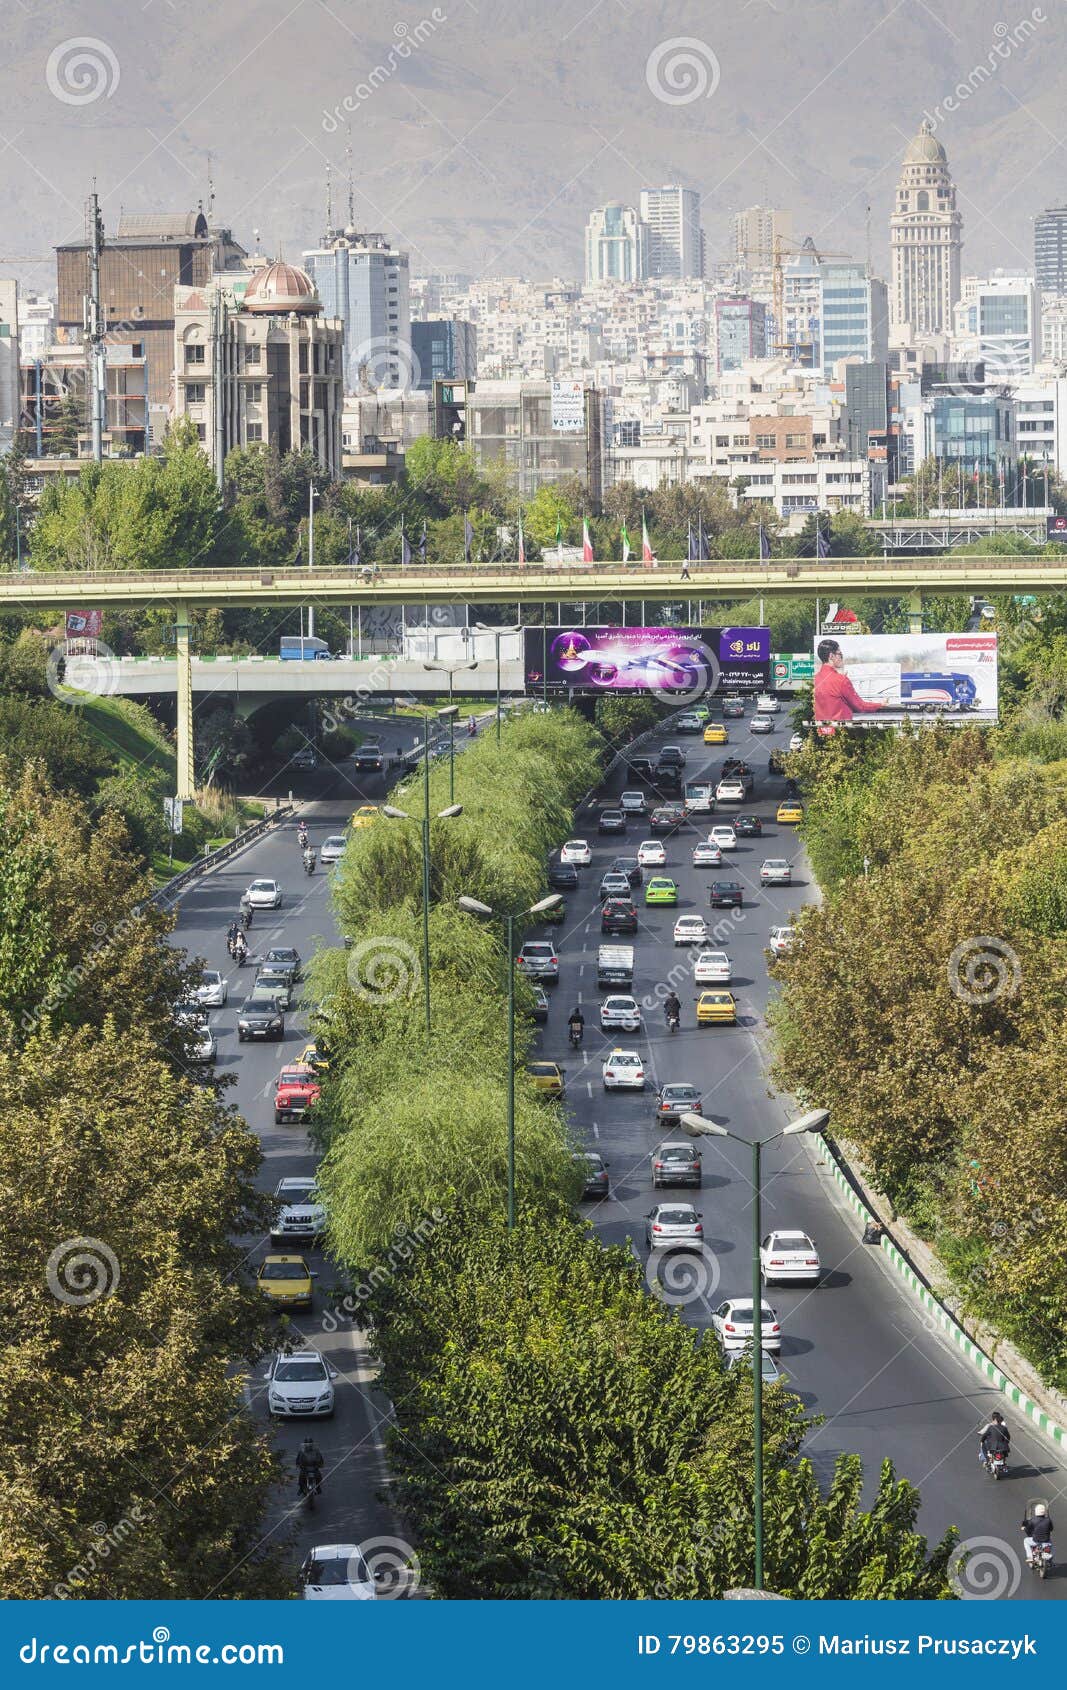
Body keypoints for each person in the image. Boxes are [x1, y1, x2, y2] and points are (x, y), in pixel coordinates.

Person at [813, 638, 889, 726]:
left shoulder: (816, 679)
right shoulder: (841, 680)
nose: (842, 657)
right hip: (841, 732)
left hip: (822, 731)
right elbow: (860, 706)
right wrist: (880, 704)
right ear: (831, 656)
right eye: (840, 654)